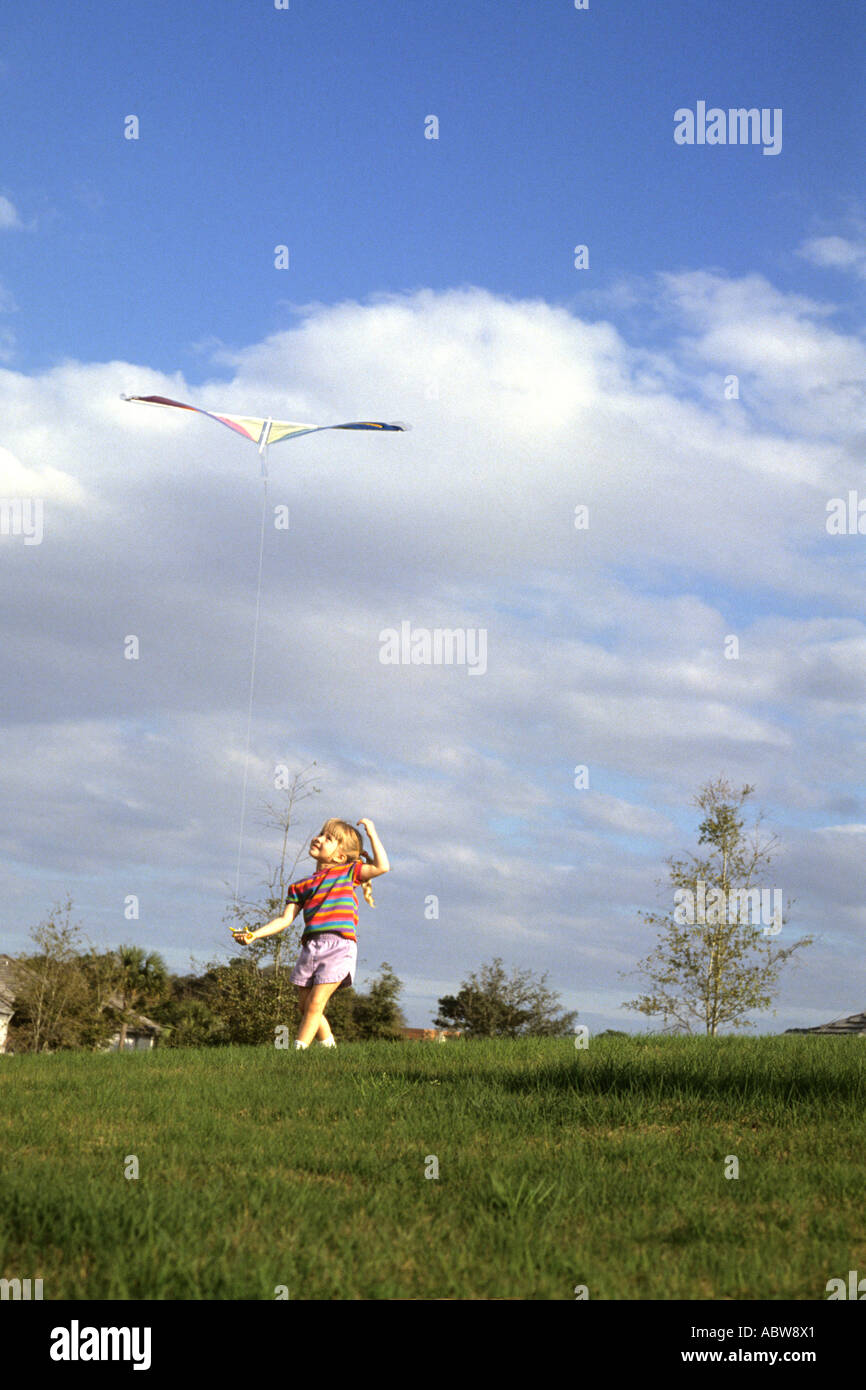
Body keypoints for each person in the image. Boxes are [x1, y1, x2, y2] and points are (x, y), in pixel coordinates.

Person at [235, 818, 389, 1049]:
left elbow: (382, 867)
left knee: (316, 1003)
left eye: (328, 838)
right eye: (321, 834)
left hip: (339, 945)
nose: (319, 838)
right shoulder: (299, 887)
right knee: (305, 1007)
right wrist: (254, 935)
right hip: (311, 948)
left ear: (339, 857)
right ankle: (329, 1049)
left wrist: (372, 833)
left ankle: (297, 1051)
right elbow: (285, 919)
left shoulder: (349, 872)